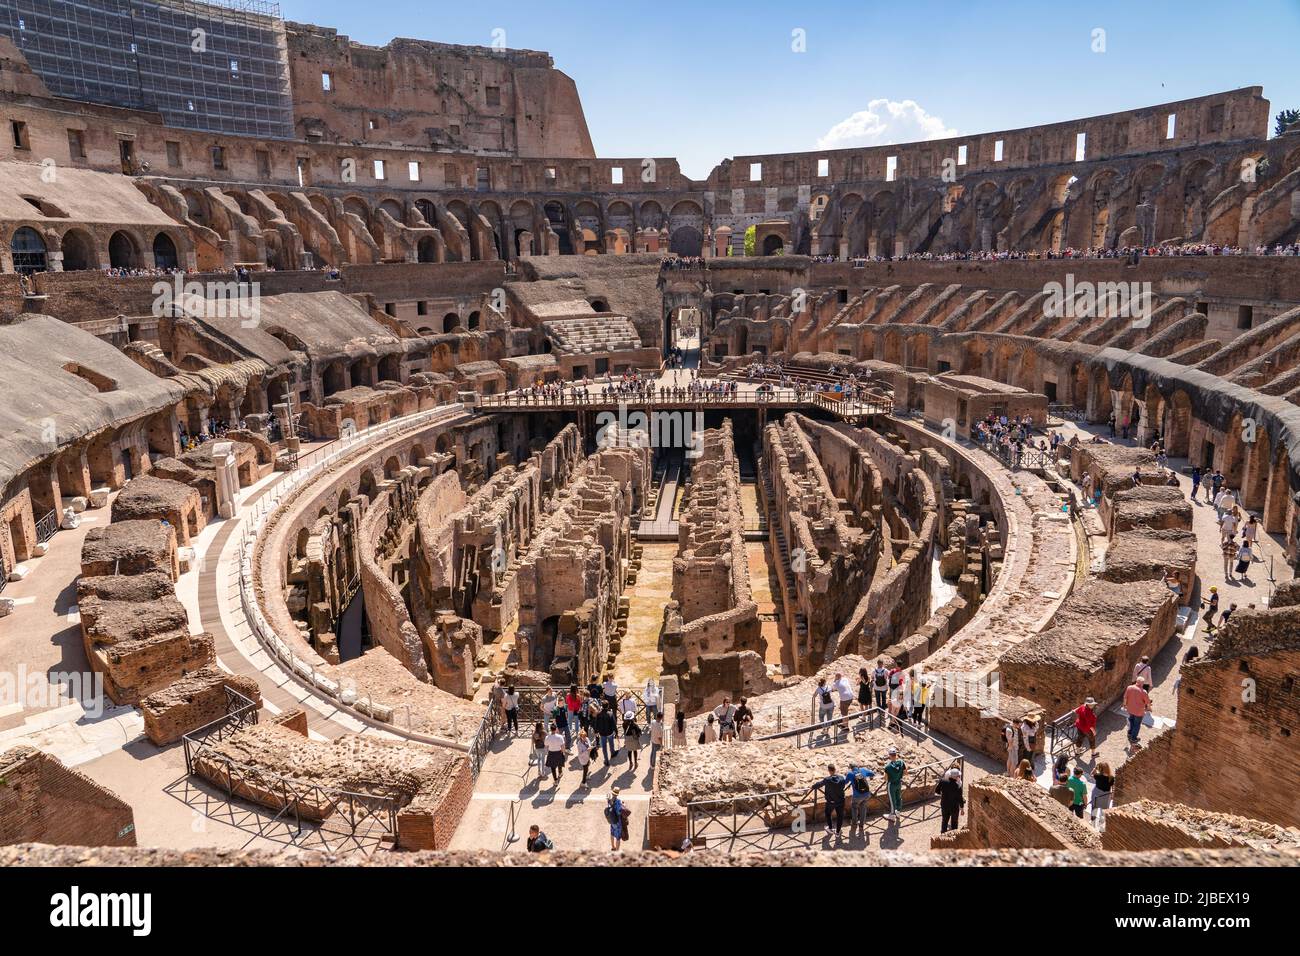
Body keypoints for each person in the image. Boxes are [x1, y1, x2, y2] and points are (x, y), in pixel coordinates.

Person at [812, 764, 847, 837]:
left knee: (828, 814)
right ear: (835, 769)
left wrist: (813, 787)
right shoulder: (842, 778)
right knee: (840, 816)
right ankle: (837, 832)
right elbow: (843, 786)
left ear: (829, 771)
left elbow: (818, 785)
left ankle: (830, 828)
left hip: (831, 802)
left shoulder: (827, 780)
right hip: (841, 801)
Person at [845, 762, 876, 835]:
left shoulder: (850, 774)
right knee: (863, 808)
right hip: (866, 794)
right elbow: (873, 773)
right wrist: (871, 777)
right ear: (857, 766)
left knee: (854, 807)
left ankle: (854, 823)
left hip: (857, 796)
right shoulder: (863, 770)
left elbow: (845, 782)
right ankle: (861, 825)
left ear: (851, 768)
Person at [1123, 678, 1151, 748]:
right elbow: (1147, 702)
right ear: (1142, 683)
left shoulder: (1129, 687)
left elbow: (1125, 697)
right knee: (1137, 724)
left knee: (1131, 721)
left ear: (1136, 681)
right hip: (1139, 711)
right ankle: (1133, 738)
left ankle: (1130, 733)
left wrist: (1124, 705)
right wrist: (1149, 708)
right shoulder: (1143, 692)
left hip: (1130, 709)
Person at [935, 767, 965, 833]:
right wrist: (962, 809)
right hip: (954, 807)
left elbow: (937, 791)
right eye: (958, 776)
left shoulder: (943, 781)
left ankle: (943, 835)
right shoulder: (958, 786)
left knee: (944, 821)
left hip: (944, 805)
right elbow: (960, 799)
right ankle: (953, 836)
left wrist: (943, 795)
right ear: (956, 777)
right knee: (954, 823)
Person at [883, 747, 906, 822]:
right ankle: (898, 811)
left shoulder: (887, 767)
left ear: (890, 755)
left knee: (892, 800)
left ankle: (892, 815)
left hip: (891, 785)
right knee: (898, 797)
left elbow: (885, 778)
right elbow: (906, 772)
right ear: (896, 754)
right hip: (899, 782)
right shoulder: (901, 762)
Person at [1091, 762, 1114, 828]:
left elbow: (1091, 774)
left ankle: (1093, 825)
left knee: (1094, 809)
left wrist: (1094, 769)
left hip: (1097, 793)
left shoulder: (1098, 776)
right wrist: (1112, 795)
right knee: (1103, 811)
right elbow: (1113, 787)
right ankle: (1101, 827)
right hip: (1106, 795)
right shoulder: (1111, 778)